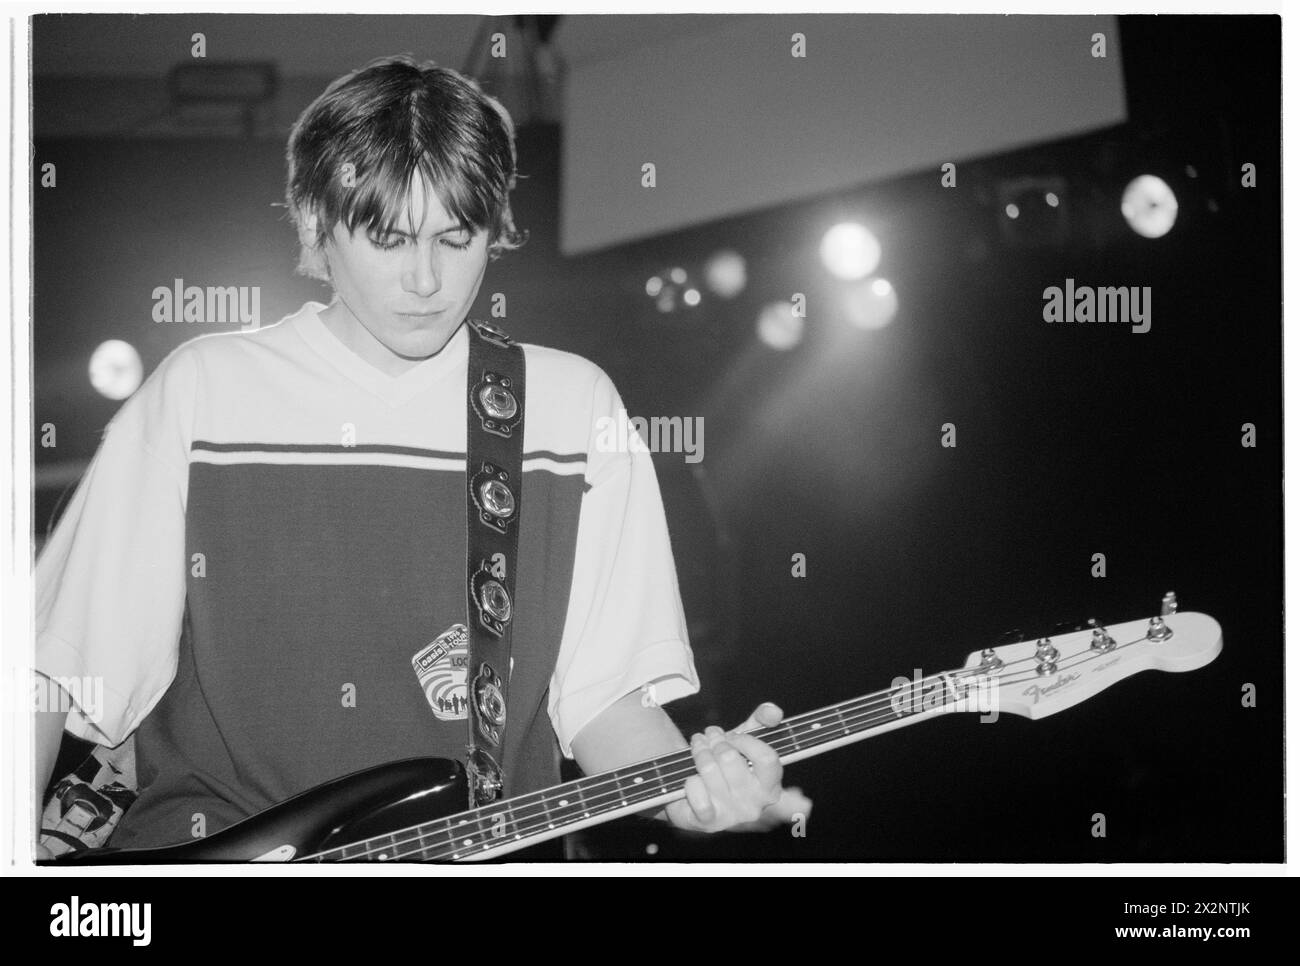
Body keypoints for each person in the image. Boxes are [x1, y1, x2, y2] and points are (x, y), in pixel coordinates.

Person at [33, 54, 809, 859]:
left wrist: (701, 798)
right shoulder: (202, 389)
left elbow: (606, 708)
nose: (427, 279)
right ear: (313, 221)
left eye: (456, 236)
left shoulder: (572, 408)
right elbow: (52, 665)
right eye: (390, 238)